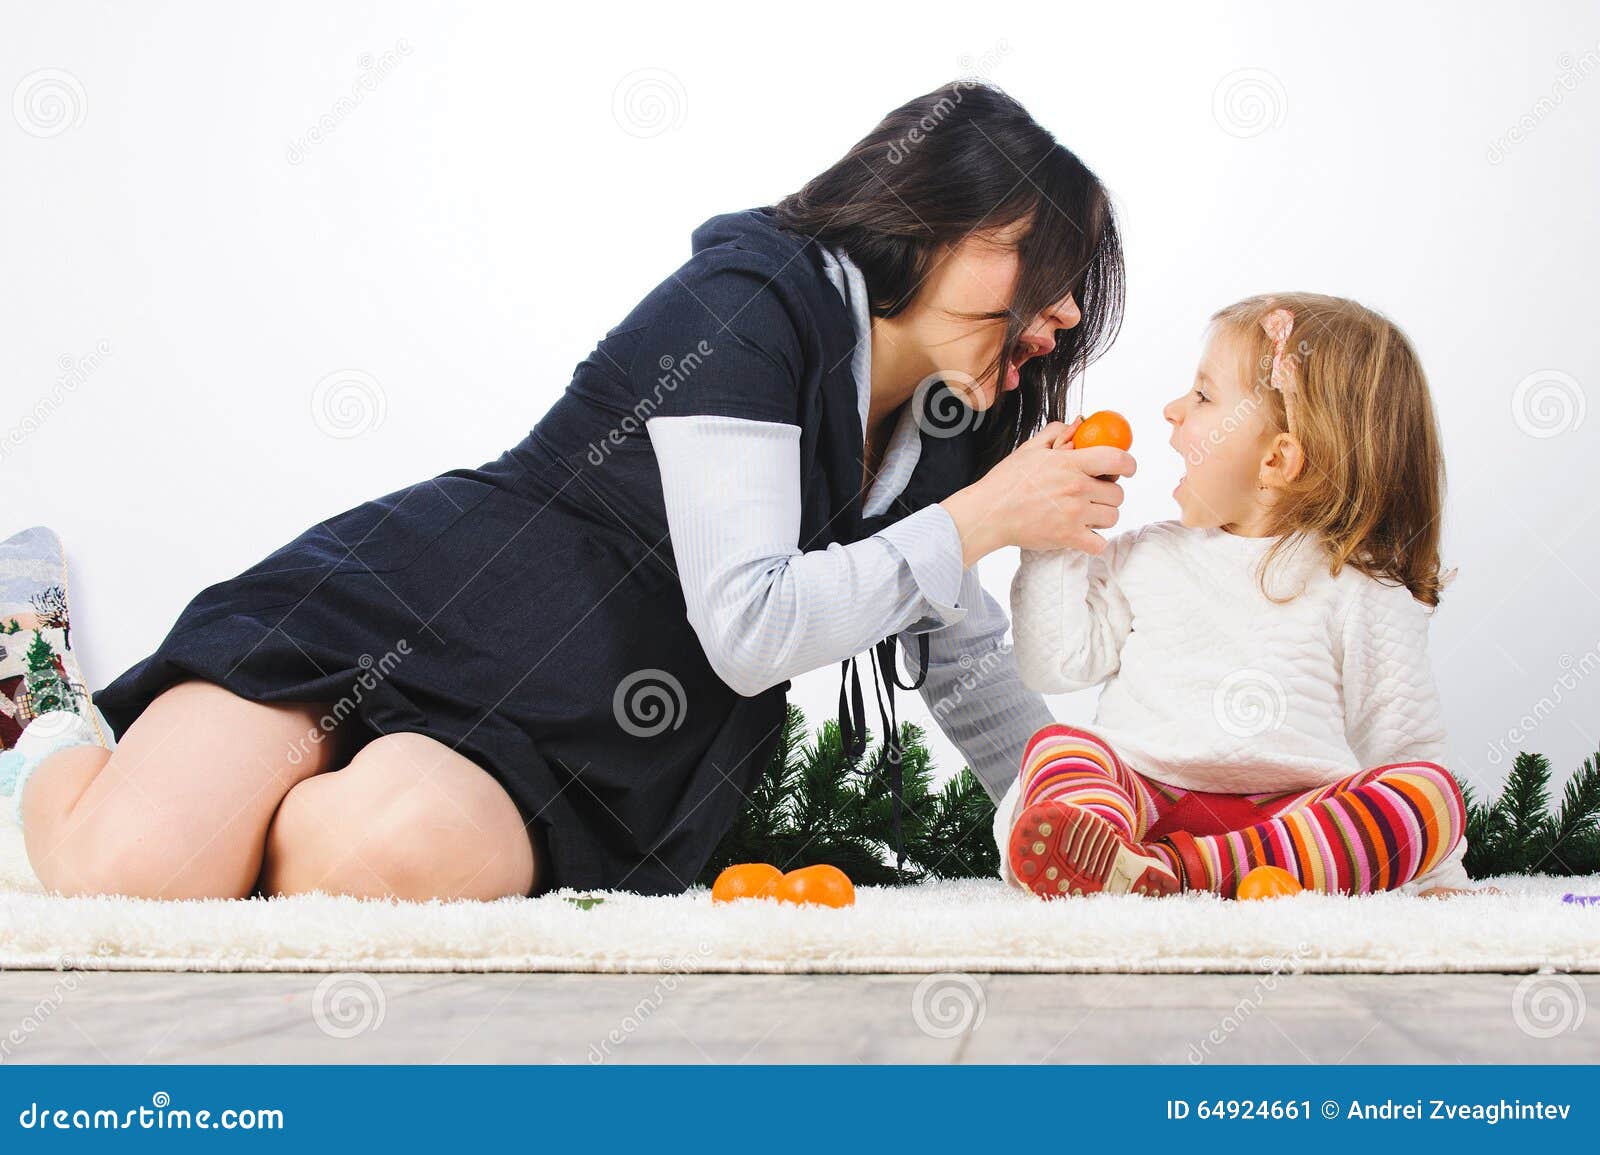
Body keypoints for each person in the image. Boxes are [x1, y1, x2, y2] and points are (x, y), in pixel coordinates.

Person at [6, 80, 1132, 901]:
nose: (1069, 311)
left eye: (1079, 286)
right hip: (426, 602)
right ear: (932, 220)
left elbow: (964, 653)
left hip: (606, 740)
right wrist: (979, 520)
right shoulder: (752, 302)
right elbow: (750, 624)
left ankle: (262, 809)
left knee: (369, 863)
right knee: (133, 878)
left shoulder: (945, 426)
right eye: (1046, 265)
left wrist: (1073, 808)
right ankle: (41, 689)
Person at [998, 292, 1484, 900]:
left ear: (1277, 459)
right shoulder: (1143, 555)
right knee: (1063, 748)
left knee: (1429, 794)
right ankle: (1113, 853)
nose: (1173, 410)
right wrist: (1053, 537)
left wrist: (1440, 876)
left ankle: (1175, 874)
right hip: (1144, 799)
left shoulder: (1356, 585)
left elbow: (1403, 741)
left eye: (1203, 397)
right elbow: (1056, 664)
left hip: (1292, 830)